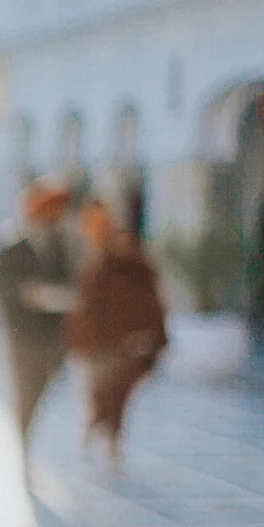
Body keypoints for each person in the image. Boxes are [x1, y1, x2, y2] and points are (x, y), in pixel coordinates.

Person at [67, 200, 167, 470]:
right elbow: (86, 308)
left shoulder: (141, 270)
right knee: (100, 393)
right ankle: (96, 425)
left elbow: (153, 305)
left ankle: (111, 436)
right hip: (101, 345)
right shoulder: (97, 269)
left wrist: (153, 336)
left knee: (120, 394)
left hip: (130, 345)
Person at [0, 181, 78, 473]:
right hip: (23, 335)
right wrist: (27, 293)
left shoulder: (59, 244)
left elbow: (70, 280)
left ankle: (25, 447)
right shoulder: (12, 245)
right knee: (24, 395)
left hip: (51, 335)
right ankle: (21, 453)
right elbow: (1, 288)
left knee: (40, 393)